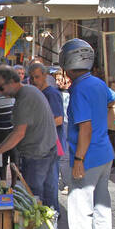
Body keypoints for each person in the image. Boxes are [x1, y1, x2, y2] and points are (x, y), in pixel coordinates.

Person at [58, 40, 115, 229]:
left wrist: (79, 159)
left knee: (80, 209)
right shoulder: (98, 83)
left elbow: (85, 129)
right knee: (102, 207)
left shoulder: (80, 89)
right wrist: (106, 124)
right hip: (105, 155)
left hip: (89, 157)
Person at [0, 65, 58, 210]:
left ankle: (42, 228)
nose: (1, 93)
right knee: (47, 192)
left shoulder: (25, 97)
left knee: (35, 196)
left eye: (2, 88)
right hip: (46, 149)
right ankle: (51, 223)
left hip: (38, 153)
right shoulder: (29, 91)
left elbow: (18, 133)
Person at [26, 61, 65, 213]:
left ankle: (52, 212)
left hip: (50, 146)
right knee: (43, 182)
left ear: (45, 76)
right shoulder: (39, 94)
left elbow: (58, 120)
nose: (34, 80)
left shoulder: (52, 94)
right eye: (31, 78)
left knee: (47, 183)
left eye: (37, 77)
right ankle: (50, 212)